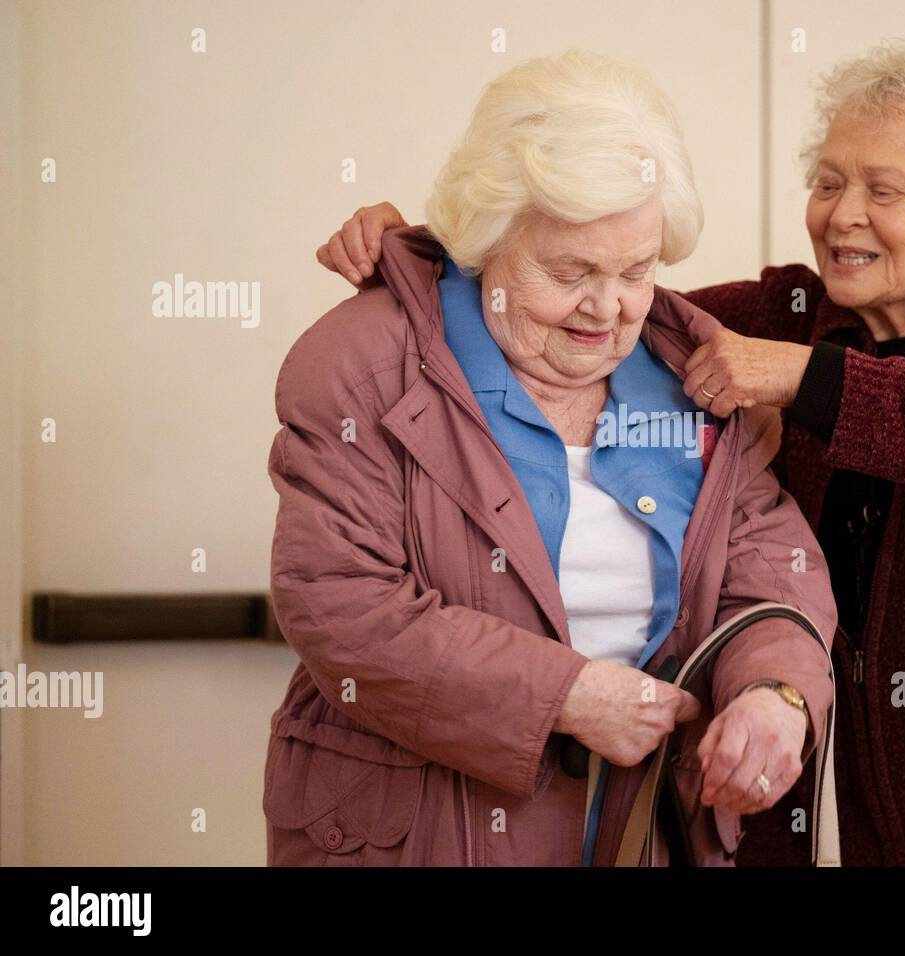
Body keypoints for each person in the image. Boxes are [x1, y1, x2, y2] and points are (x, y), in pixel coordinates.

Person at [318, 40, 905, 865]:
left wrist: (809, 379)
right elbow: (587, 276)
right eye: (828, 181)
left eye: (882, 191)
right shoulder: (787, 311)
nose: (842, 213)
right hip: (875, 818)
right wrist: (423, 257)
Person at [266, 49, 837, 867]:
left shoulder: (691, 374)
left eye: (636, 270)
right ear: (487, 239)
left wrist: (776, 693)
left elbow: (772, 566)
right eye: (570, 271)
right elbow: (340, 604)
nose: (607, 307)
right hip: (423, 836)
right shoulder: (360, 365)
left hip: (636, 835)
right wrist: (566, 696)